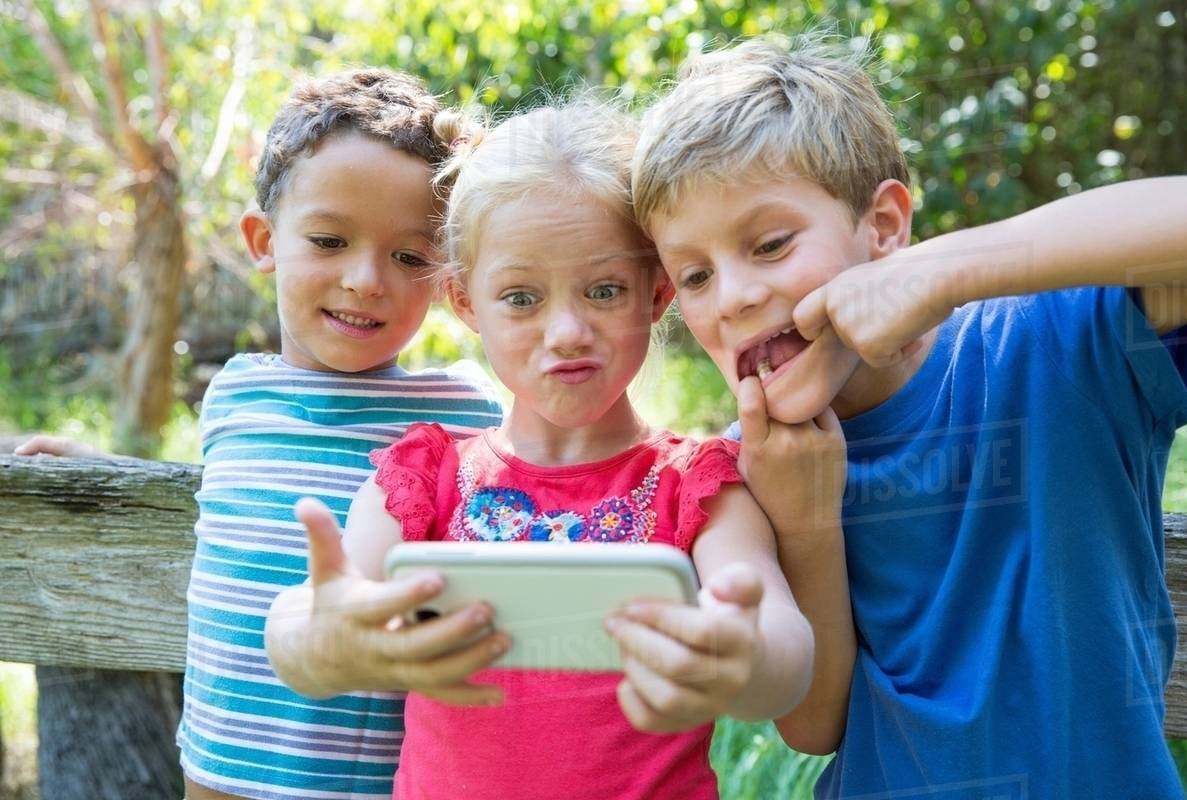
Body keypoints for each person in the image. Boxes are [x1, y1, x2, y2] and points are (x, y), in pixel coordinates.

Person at [631, 35, 1187, 799]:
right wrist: (806, 524)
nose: (731, 296)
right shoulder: (744, 472)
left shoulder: (1059, 347)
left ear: (887, 227)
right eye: (694, 275)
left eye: (769, 245)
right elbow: (813, 726)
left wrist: (946, 269)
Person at [266, 99, 824, 800]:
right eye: (521, 298)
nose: (566, 332)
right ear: (465, 302)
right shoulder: (425, 476)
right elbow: (302, 621)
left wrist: (745, 656)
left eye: (603, 291)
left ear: (655, 294)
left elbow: (784, 646)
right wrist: (327, 638)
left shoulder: (697, 485)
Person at [20, 68, 503, 800]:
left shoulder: (463, 415)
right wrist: (111, 475)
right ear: (262, 240)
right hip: (217, 771)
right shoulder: (236, 394)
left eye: (409, 256)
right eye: (330, 240)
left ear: (443, 273)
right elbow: (230, 506)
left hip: (375, 781)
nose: (367, 279)